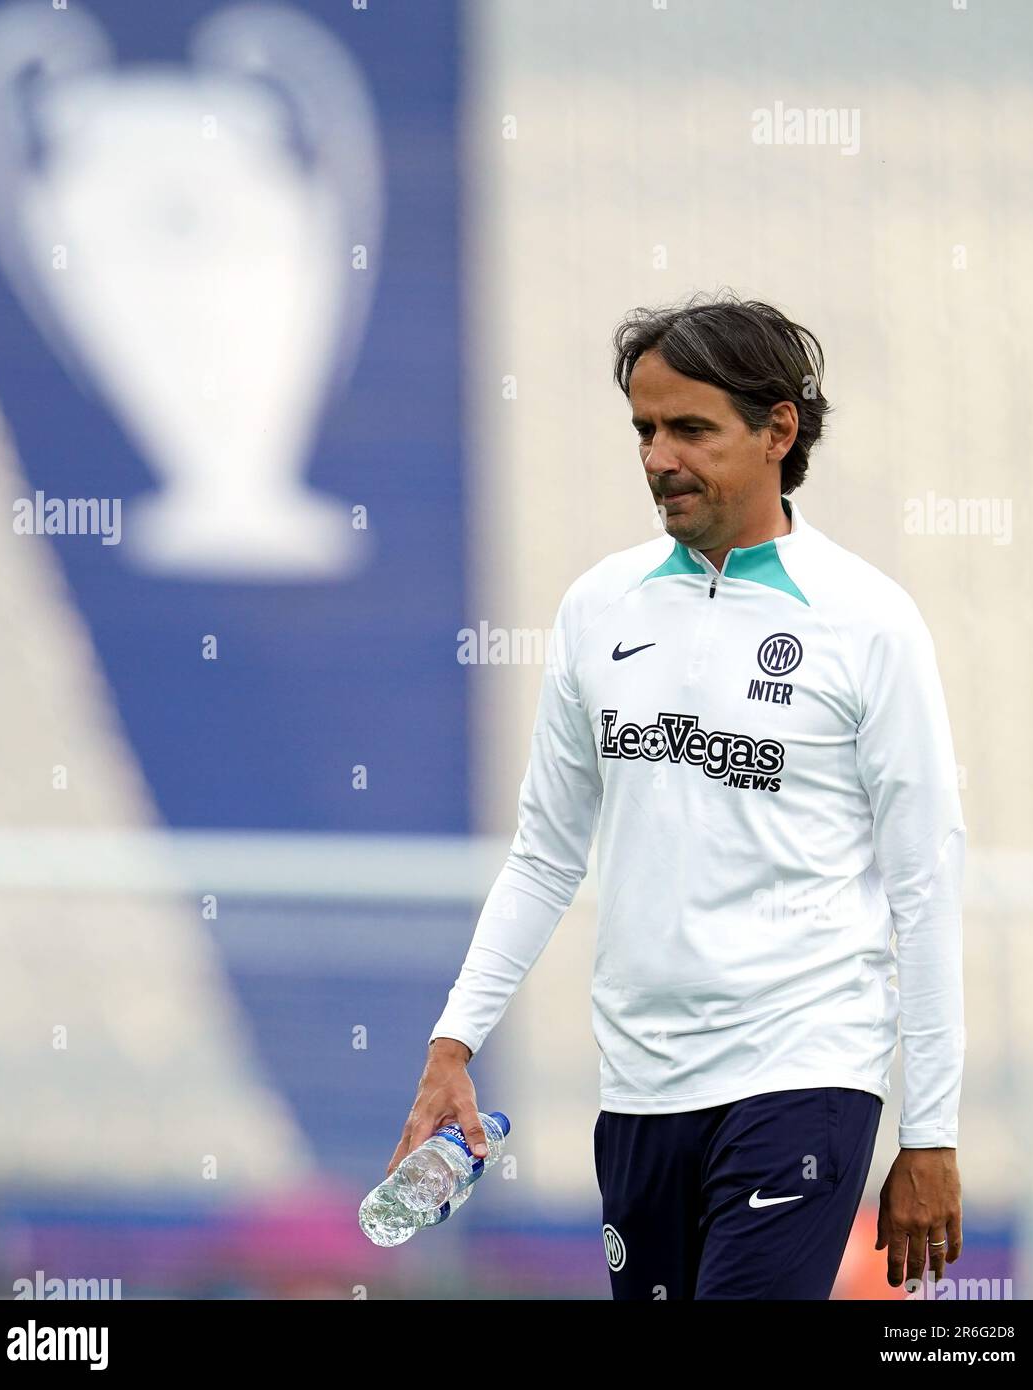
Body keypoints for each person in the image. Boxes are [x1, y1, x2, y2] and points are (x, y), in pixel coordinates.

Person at [389, 291, 965, 1300]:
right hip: (641, 1088)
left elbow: (923, 883)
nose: (659, 457)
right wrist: (452, 1042)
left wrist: (930, 1133)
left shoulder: (868, 622)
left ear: (776, 429)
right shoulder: (597, 607)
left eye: (690, 428)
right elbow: (543, 852)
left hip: (804, 1069)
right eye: (644, 429)